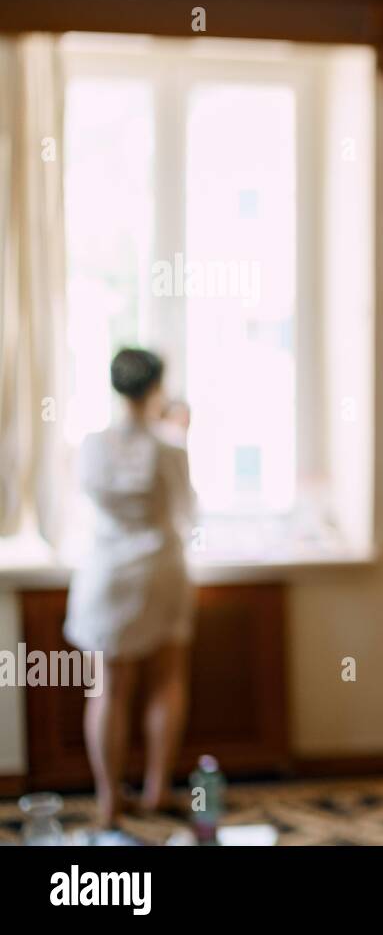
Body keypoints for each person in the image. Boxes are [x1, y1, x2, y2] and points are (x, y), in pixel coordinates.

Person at [64, 348, 196, 827]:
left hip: (106, 573)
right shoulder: (169, 446)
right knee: (167, 680)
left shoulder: (91, 444)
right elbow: (187, 512)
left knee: (108, 689)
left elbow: (80, 504)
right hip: (158, 569)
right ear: (156, 387)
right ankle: (157, 788)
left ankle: (108, 801)